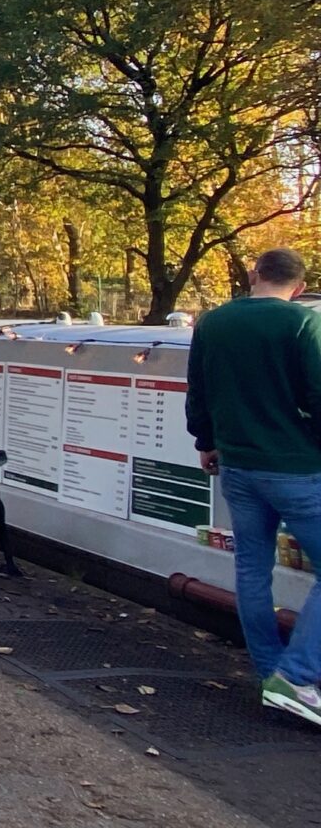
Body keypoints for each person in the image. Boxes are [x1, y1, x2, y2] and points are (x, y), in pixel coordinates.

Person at [186, 247, 321, 726]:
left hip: (236, 465)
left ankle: (270, 675)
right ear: (299, 288)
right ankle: (296, 676)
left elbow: (198, 389)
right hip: (295, 467)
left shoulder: (212, 322)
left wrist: (206, 439)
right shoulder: (302, 324)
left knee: (251, 570)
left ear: (253, 274)